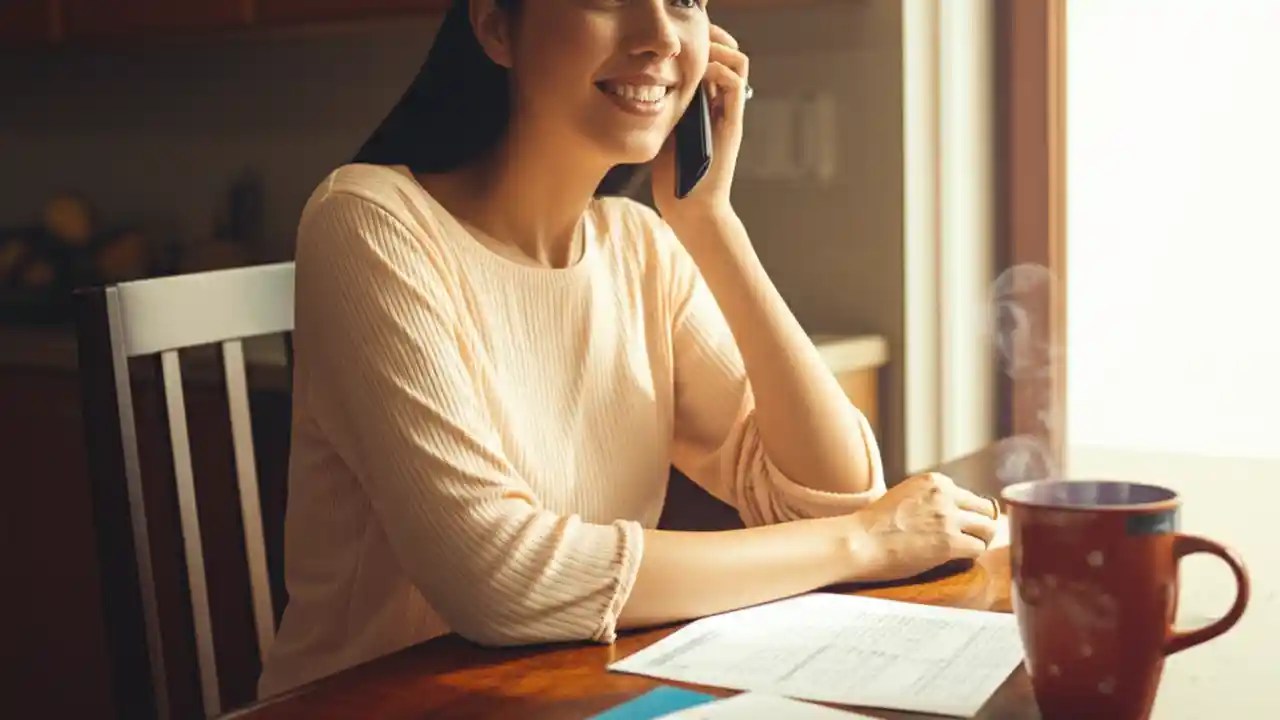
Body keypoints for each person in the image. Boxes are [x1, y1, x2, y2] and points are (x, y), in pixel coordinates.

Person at [258, 0, 1000, 698]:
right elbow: (501, 577)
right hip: (381, 703)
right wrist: (864, 544)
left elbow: (830, 491)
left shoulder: (639, 245)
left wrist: (711, 223)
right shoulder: (367, 220)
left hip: (562, 694)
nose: (657, 34)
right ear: (495, 26)